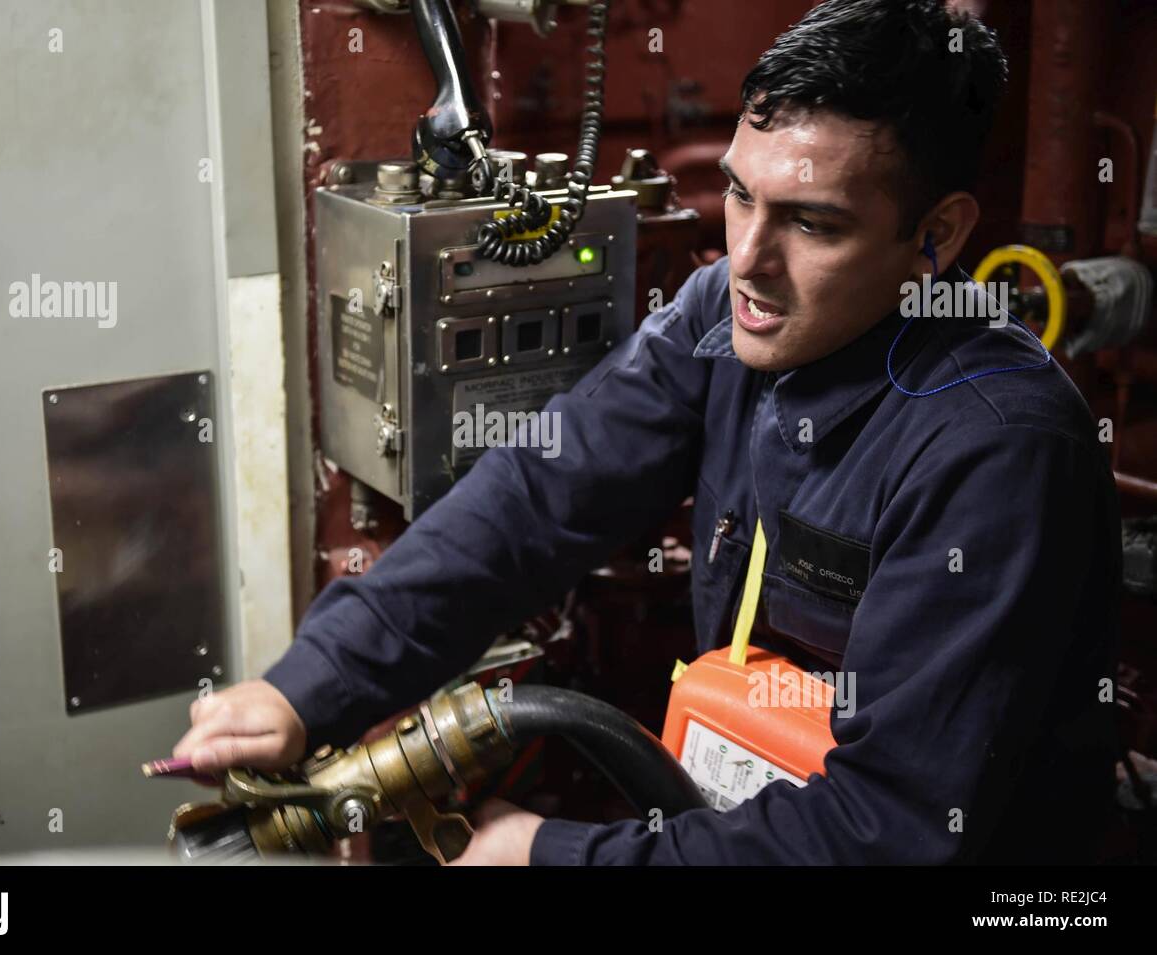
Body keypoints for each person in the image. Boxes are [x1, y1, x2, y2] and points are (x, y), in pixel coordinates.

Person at [173, 0, 1120, 864]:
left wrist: (555, 856)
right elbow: (539, 494)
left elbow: (892, 833)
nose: (748, 259)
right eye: (742, 195)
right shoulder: (727, 317)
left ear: (939, 234)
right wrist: (311, 683)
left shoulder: (998, 449)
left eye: (813, 225)